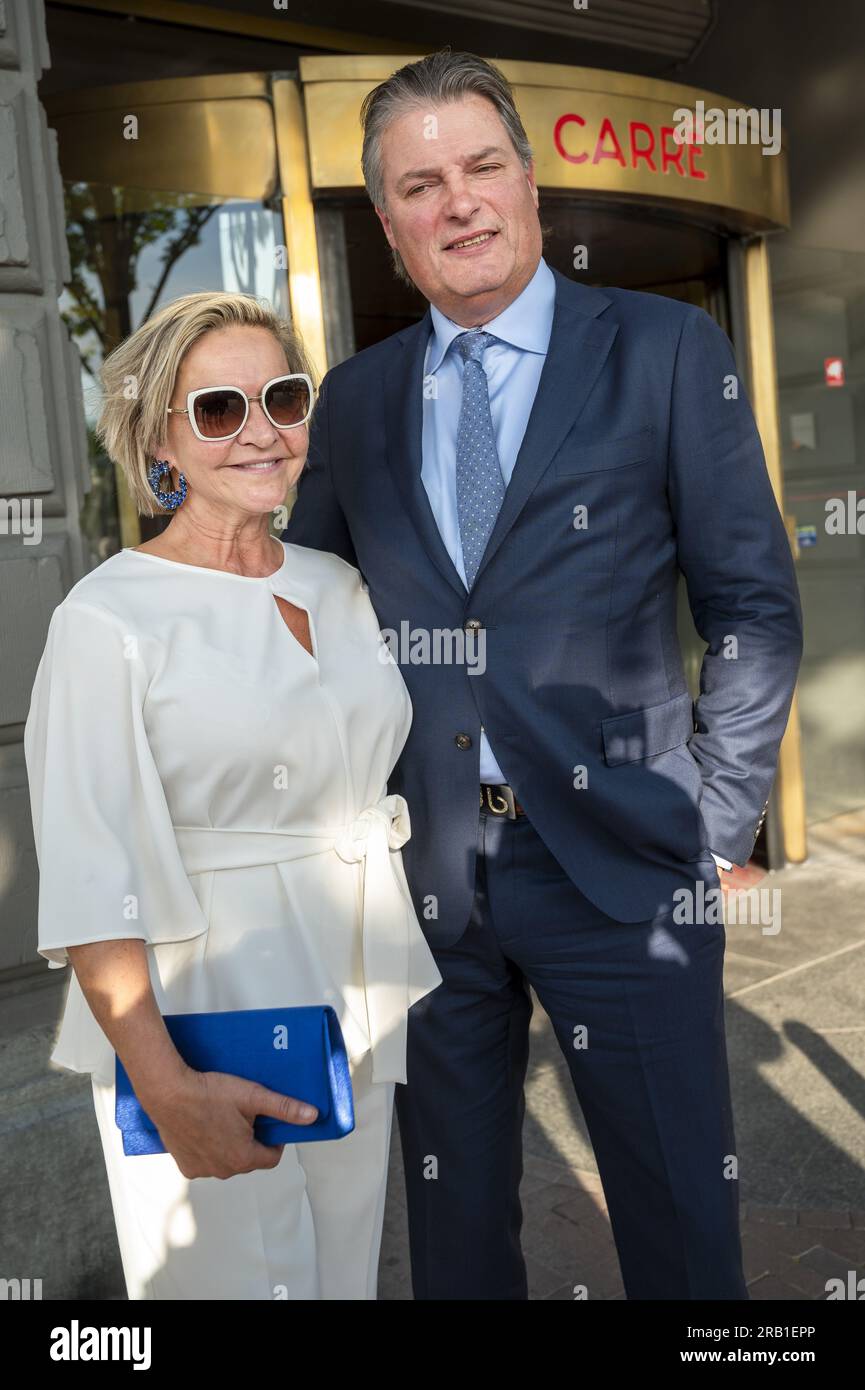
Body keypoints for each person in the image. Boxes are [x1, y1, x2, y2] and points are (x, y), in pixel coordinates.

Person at [283, 50, 804, 1299]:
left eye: (478, 166)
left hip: (627, 866)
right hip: (424, 879)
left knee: (681, 1225)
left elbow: (750, 604)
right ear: (392, 228)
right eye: (419, 184)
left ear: (530, 185)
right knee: (452, 1239)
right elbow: (299, 611)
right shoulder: (352, 404)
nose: (456, 201)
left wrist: (718, 820)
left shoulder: (668, 349)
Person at [23, 290, 441, 1300]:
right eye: (218, 409)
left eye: (282, 398)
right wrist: (163, 1085)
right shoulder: (106, 618)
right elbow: (92, 877)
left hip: (357, 990)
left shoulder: (335, 583)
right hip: (204, 1013)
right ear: (157, 439)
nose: (260, 431)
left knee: (342, 1279)